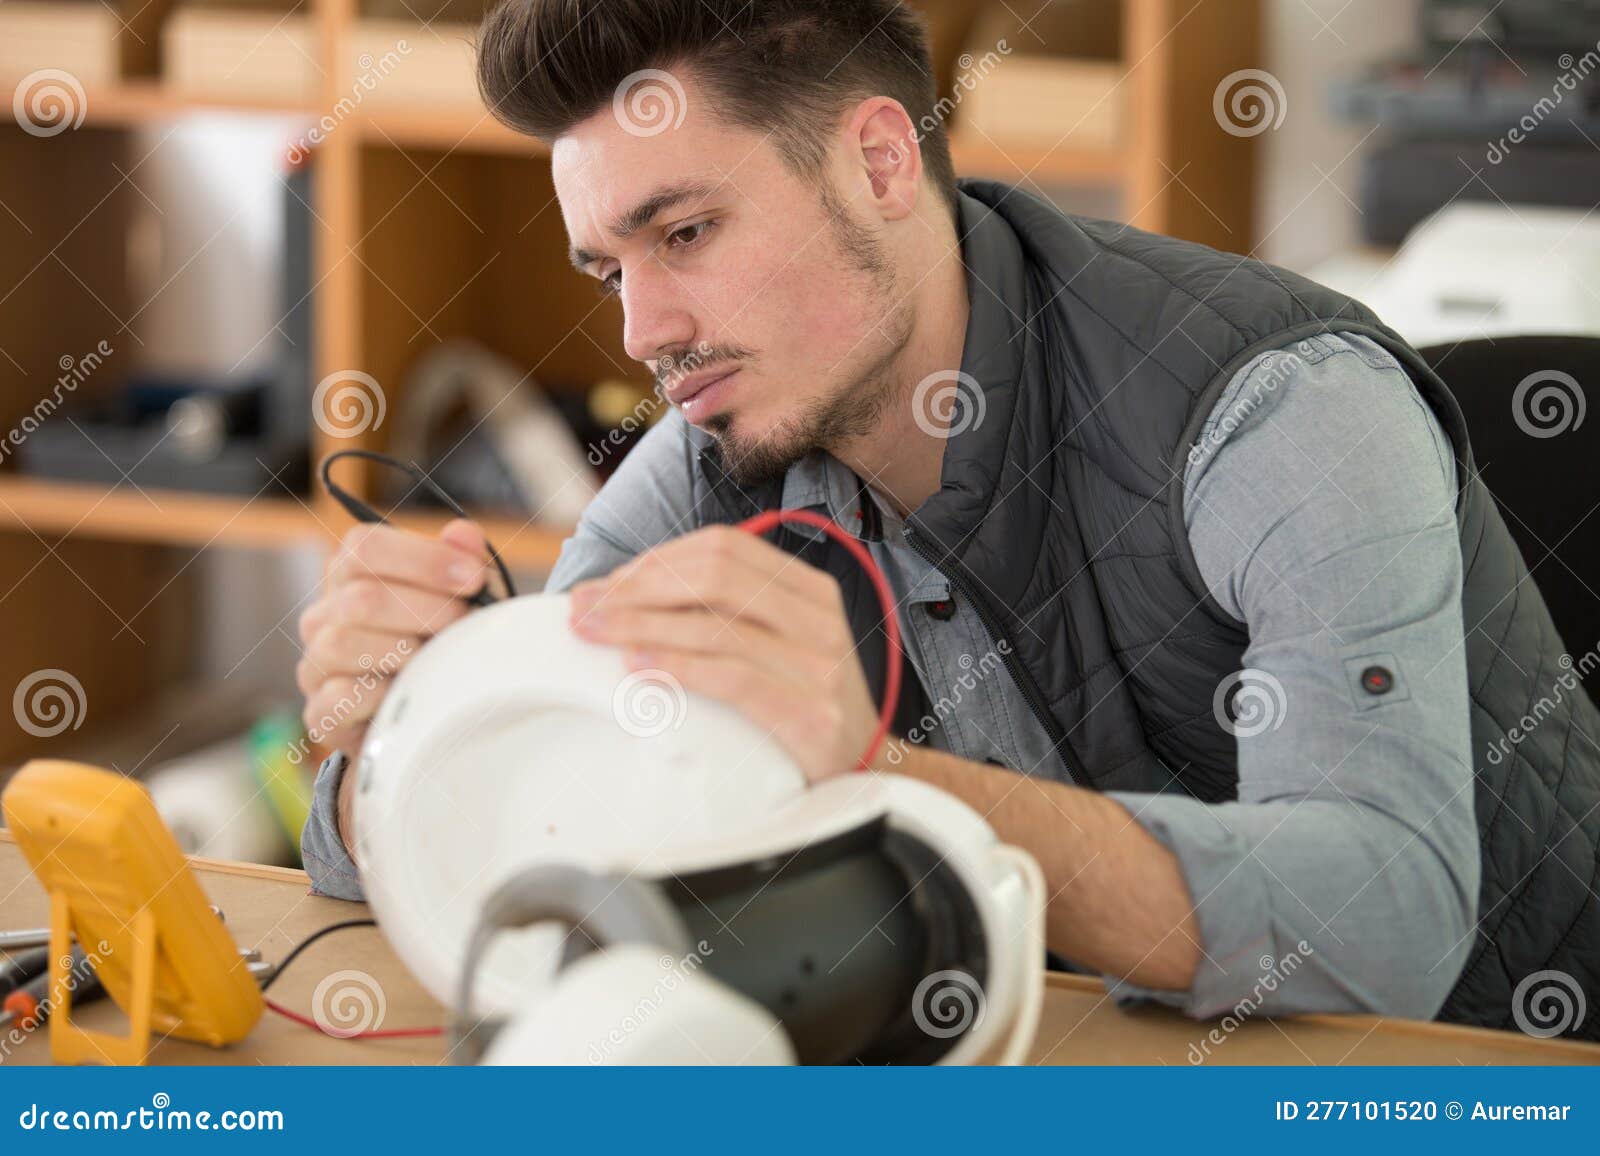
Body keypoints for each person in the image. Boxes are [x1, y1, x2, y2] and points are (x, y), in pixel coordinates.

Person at [295, 0, 1599, 1036]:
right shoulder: (721, 440)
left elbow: (1384, 925)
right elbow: (445, 835)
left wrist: (870, 775)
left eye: (684, 232)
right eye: (609, 270)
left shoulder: (1283, 405)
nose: (644, 332)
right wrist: (398, 734)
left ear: (877, 161)